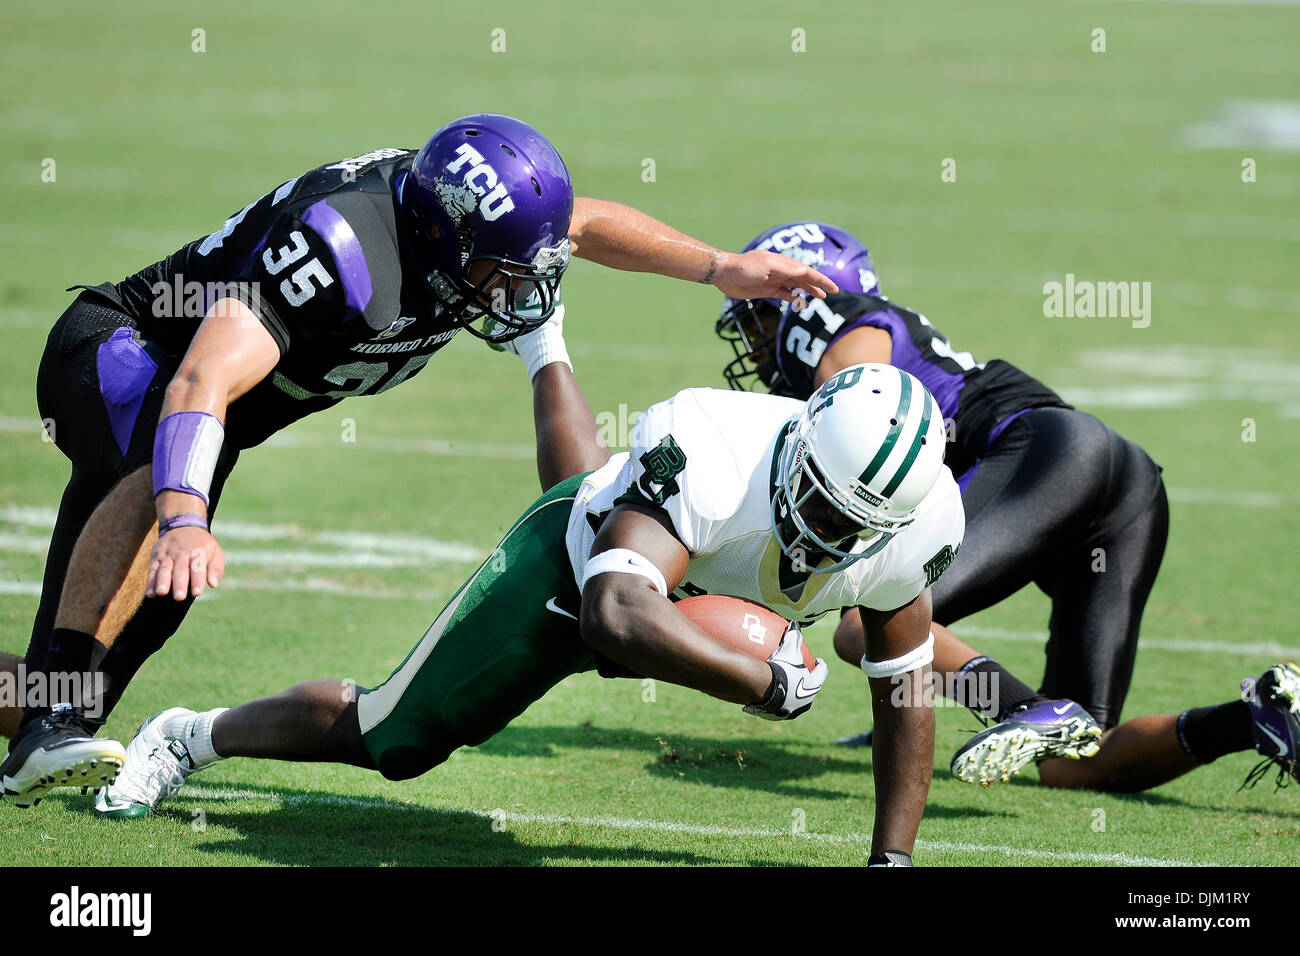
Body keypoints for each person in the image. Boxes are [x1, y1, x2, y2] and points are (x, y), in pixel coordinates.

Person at [0, 115, 836, 809]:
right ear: (441, 234)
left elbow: (581, 222)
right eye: (498, 273)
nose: (516, 293)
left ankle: (47, 714)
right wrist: (186, 515)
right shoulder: (339, 251)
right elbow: (200, 377)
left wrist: (722, 268)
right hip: (121, 356)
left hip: (200, 424)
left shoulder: (467, 219)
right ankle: (49, 724)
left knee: (76, 691)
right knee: (150, 492)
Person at [102, 340, 964, 865]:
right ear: (796, 445)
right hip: (575, 575)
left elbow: (905, 687)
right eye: (815, 500)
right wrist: (756, 681)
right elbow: (617, 618)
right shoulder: (715, 446)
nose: (821, 532)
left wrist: (893, 858)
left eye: (850, 524)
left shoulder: (918, 529)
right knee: (394, 740)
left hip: (689, 606)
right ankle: (186, 735)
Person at [713, 220, 1299, 793]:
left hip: (1047, 455)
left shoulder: (843, 328)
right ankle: (1258, 718)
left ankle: (1025, 708)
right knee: (1078, 759)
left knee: (864, 624)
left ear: (808, 298)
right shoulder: (862, 332)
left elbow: (861, 453)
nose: (756, 340)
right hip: (1122, 484)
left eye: (763, 316)